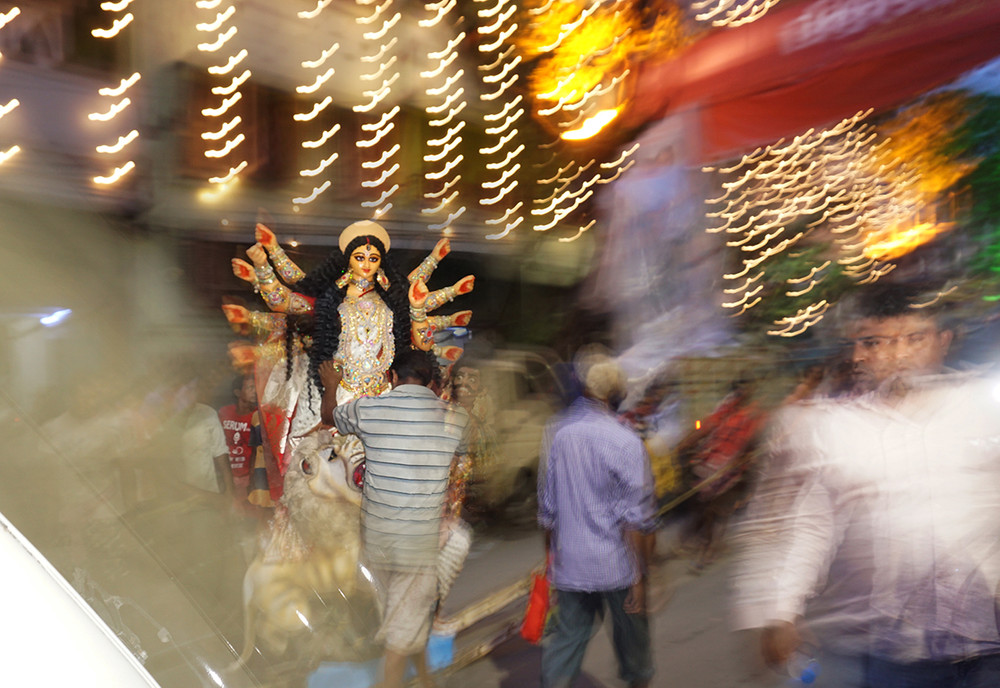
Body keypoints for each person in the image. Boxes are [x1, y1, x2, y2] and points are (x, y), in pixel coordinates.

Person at [731, 282, 1000, 687]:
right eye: (875, 342)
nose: (895, 355)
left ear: (943, 342)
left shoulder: (981, 409)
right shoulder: (831, 430)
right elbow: (807, 522)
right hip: (895, 650)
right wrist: (781, 609)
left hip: (988, 639)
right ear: (858, 352)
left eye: (913, 338)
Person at [319, 348, 468, 688]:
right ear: (432, 383)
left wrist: (331, 384)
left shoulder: (369, 408)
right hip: (417, 543)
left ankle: (427, 681)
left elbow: (329, 416)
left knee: (404, 616)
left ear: (392, 377)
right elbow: (465, 450)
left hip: (378, 543)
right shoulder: (451, 417)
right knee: (403, 626)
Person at [538, 354, 657, 688]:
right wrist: (642, 576)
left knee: (566, 643)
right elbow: (637, 518)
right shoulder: (626, 441)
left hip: (571, 564)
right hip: (617, 567)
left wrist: (551, 561)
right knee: (635, 649)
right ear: (614, 395)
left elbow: (547, 510)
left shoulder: (558, 434)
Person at [217, 374, 256, 507]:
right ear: (238, 392)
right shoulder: (224, 413)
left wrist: (253, 479)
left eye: (254, 387)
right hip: (225, 474)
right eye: (249, 387)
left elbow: (258, 450)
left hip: (246, 477)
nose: (254, 391)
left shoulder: (257, 416)